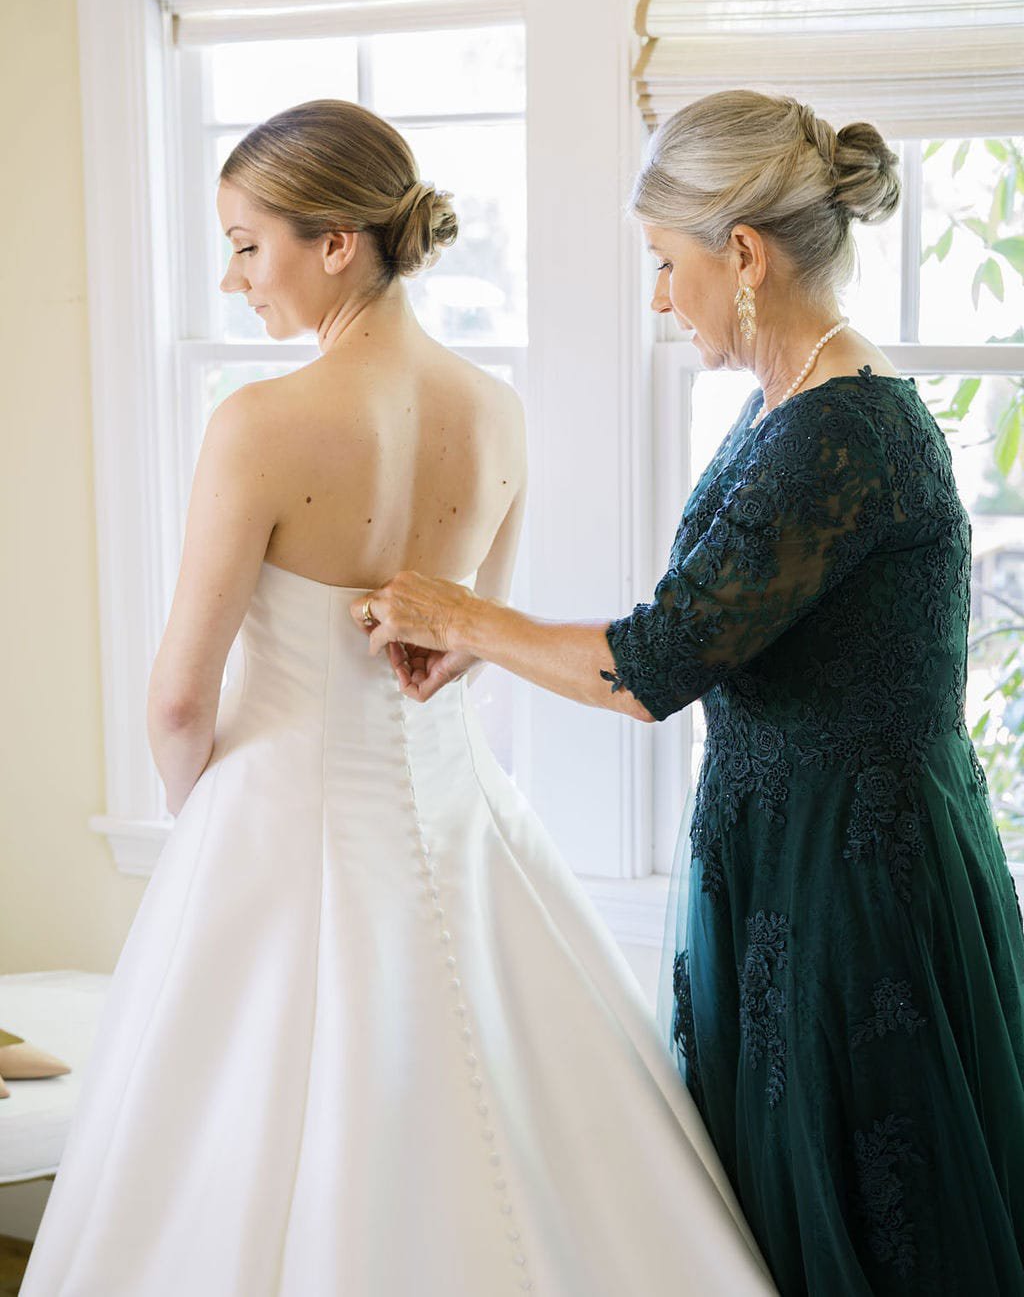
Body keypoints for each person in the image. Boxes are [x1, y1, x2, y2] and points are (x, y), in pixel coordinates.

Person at [18, 98, 774, 1297]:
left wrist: (203, 819)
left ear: (335, 243)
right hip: (460, 811)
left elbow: (178, 698)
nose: (231, 279)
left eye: (246, 243)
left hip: (276, 807)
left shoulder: (259, 424)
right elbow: (471, 652)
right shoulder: (498, 414)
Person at [353, 90, 1024, 1295]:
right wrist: (485, 646)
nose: (660, 298)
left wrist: (460, 616)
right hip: (786, 856)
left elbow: (655, 664)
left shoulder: (843, 434)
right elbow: (708, 631)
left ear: (746, 257)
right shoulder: (789, 404)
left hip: (854, 886)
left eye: (667, 265)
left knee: (869, 1228)